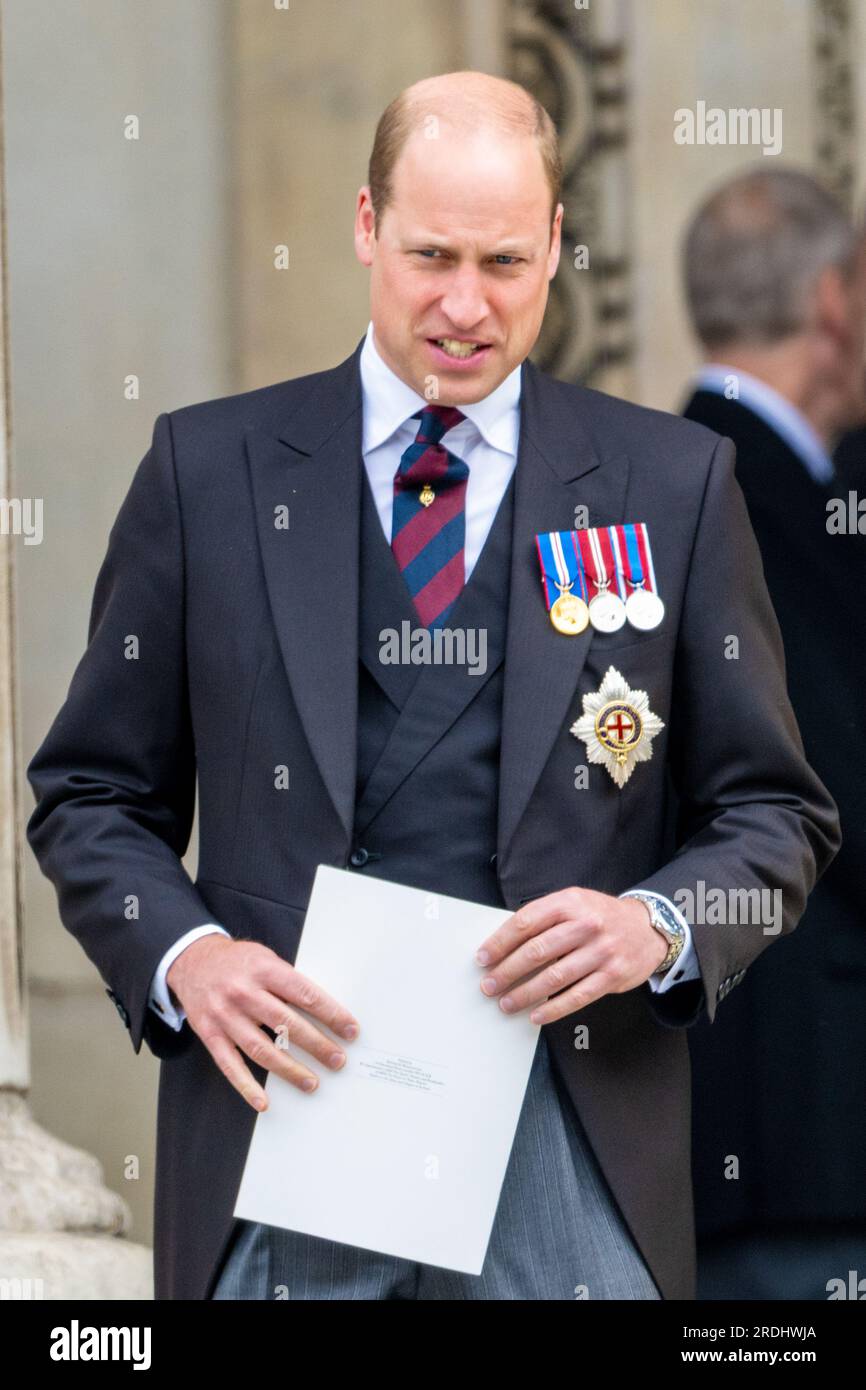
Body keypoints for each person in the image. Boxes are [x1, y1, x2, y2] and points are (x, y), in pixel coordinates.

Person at [26, 73, 839, 1302]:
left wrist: (654, 925)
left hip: (572, 1137)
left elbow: (775, 814)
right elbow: (88, 791)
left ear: (559, 243)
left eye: (506, 261)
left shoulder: (673, 485)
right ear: (363, 224)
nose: (465, 306)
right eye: (429, 256)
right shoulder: (208, 472)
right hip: (283, 1125)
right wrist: (186, 951)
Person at [680, 166, 866, 1298]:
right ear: (834, 302)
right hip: (812, 1136)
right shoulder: (750, 496)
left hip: (717, 1133)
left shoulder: (653, 478)